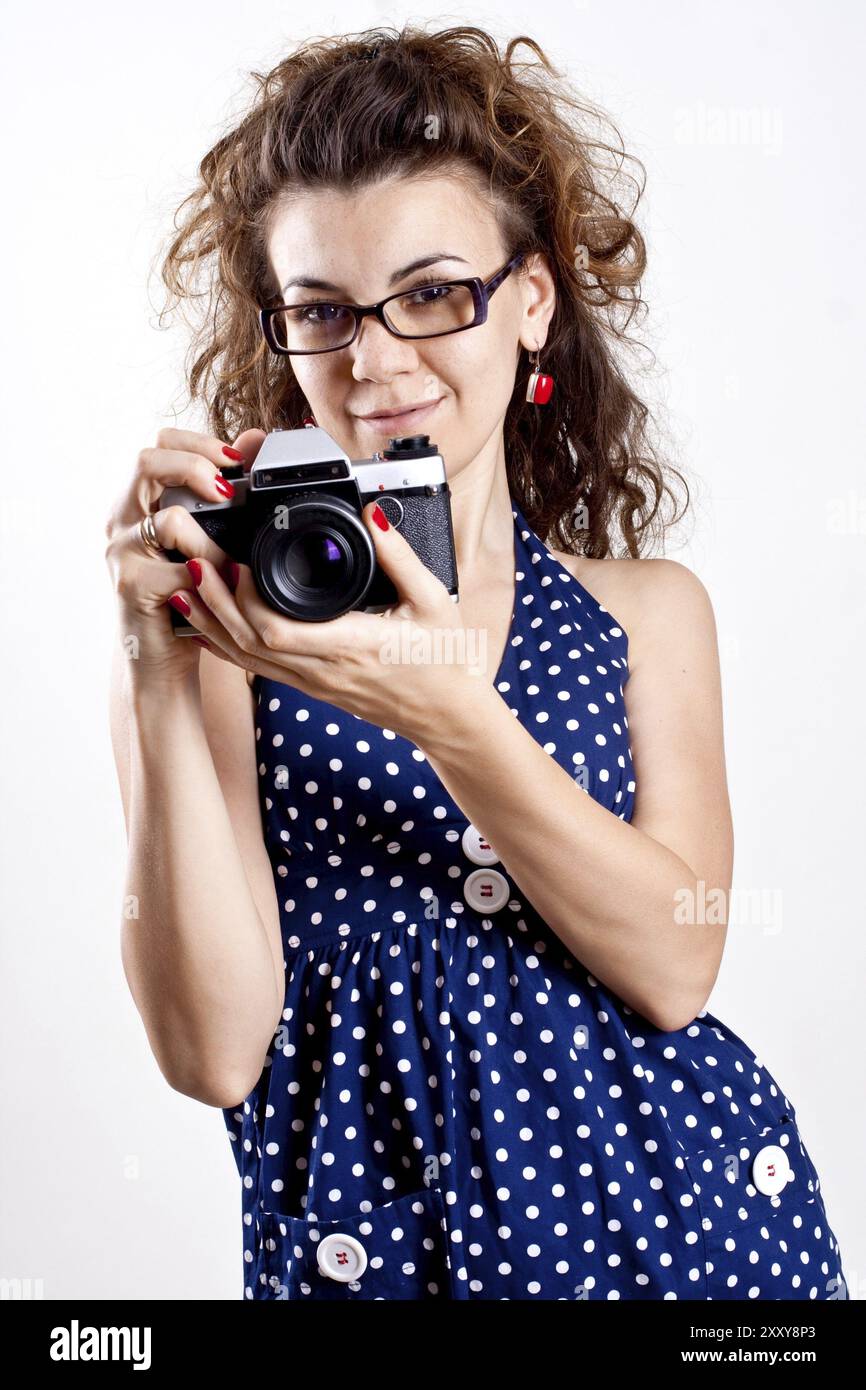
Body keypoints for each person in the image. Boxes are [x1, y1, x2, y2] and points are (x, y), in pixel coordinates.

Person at [105, 24, 847, 1301]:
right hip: (367, 1259)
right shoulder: (221, 640)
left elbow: (676, 966)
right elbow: (216, 1053)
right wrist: (153, 661)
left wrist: (448, 714)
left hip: (684, 1244)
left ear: (531, 302)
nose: (375, 360)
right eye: (322, 311)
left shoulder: (646, 613)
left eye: (433, 293)